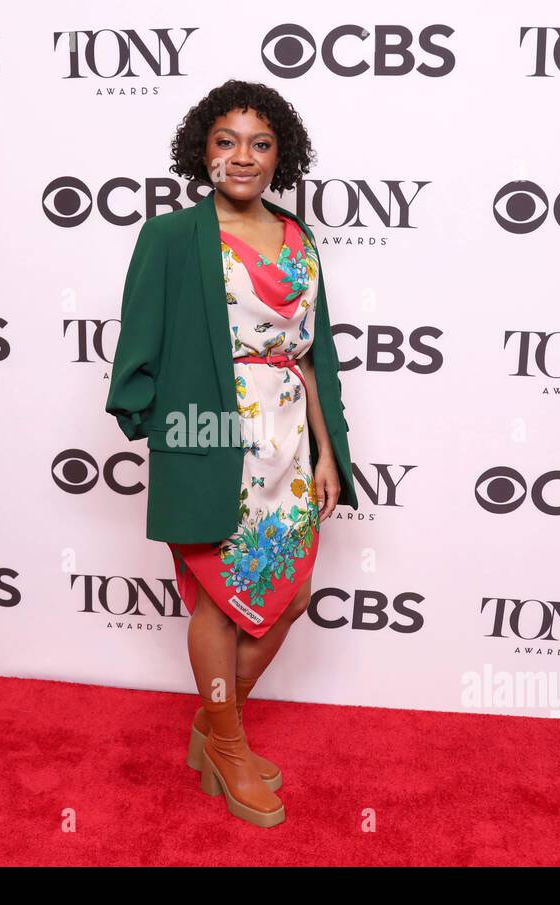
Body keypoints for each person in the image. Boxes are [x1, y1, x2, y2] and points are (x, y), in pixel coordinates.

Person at [106, 79, 358, 827]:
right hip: (209, 438)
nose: (242, 156)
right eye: (226, 141)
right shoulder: (172, 237)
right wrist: (172, 438)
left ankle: (216, 728)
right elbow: (138, 347)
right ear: (203, 151)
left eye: (260, 143)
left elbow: (312, 355)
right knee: (219, 604)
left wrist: (328, 453)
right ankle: (227, 741)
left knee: (290, 597)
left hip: (289, 439)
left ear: (281, 156)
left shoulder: (298, 237)